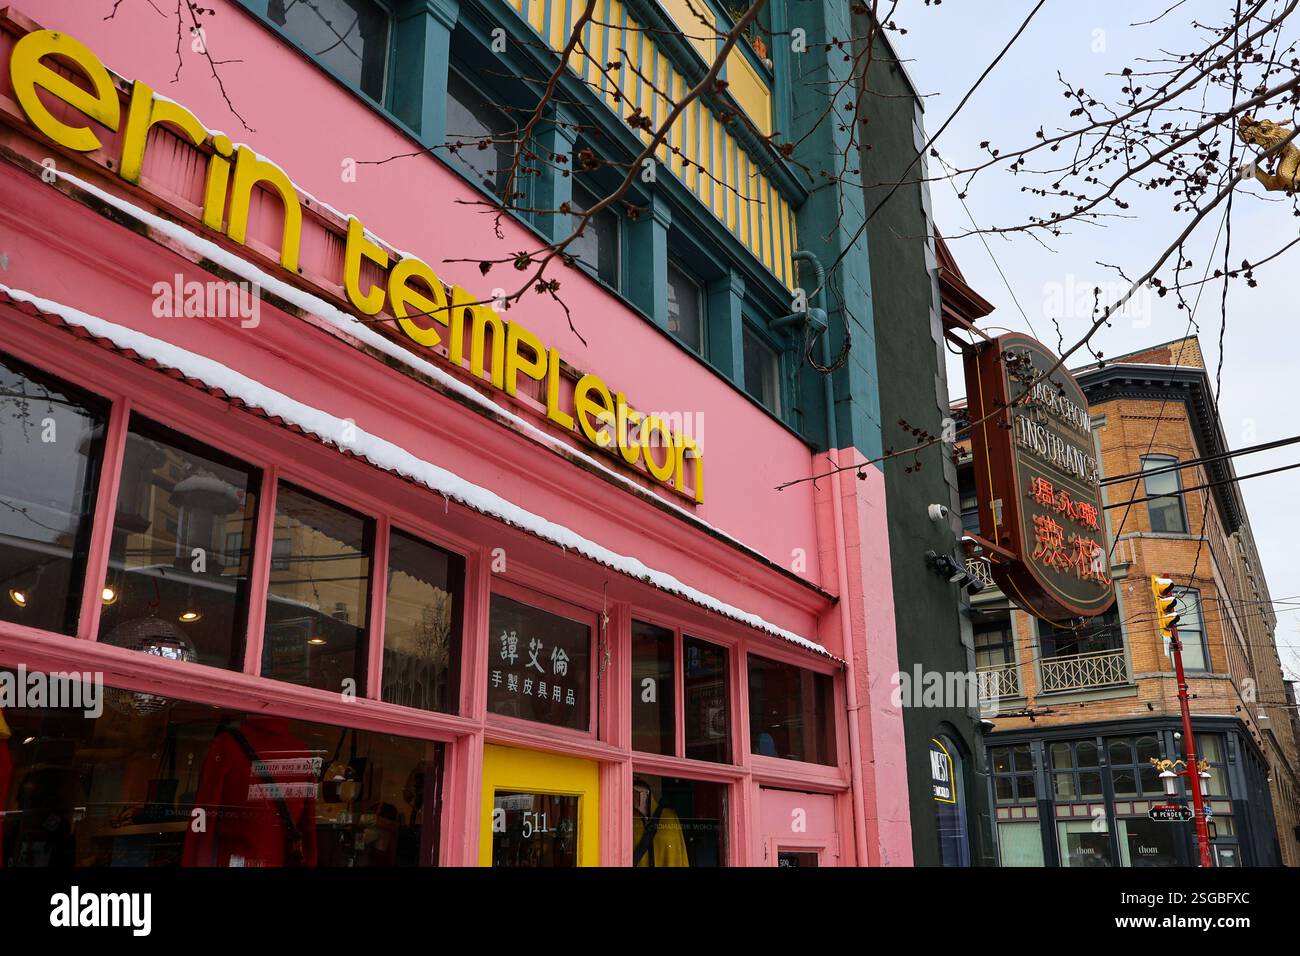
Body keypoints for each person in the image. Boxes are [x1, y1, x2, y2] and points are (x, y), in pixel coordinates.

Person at [632, 776, 689, 867]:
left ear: (648, 794)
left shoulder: (669, 817)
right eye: (634, 794)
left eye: (641, 793)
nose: (637, 797)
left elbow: (679, 851)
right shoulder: (628, 821)